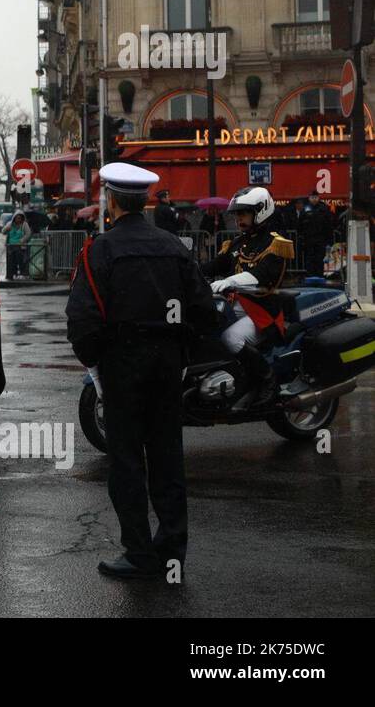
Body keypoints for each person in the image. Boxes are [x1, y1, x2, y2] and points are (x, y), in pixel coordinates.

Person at [66, 162, 218, 581]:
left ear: (111, 201)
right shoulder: (173, 246)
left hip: (122, 364)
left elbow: (82, 320)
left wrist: (96, 358)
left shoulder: (100, 250)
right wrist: (181, 350)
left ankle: (138, 552)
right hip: (168, 364)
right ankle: (171, 551)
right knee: (168, 459)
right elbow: (205, 311)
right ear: (147, 200)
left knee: (127, 461)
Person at [202, 186, 294, 409]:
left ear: (260, 211)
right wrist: (184, 271)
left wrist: (231, 281)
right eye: (236, 214)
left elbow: (263, 276)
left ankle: (267, 381)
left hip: (262, 310)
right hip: (235, 306)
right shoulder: (238, 243)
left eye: (243, 213)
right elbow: (212, 266)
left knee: (231, 339)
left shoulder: (275, 243)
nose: (238, 219)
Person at [297, 191, 333, 278]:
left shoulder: (324, 208)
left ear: (318, 197)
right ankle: (310, 275)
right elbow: (299, 224)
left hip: (321, 239)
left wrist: (328, 239)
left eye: (315, 197)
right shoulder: (305, 209)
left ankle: (319, 275)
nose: (314, 199)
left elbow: (329, 224)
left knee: (320, 258)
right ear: (309, 198)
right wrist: (301, 237)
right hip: (308, 239)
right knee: (309, 258)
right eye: (312, 197)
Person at [4, 212, 30, 279]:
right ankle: (11, 274)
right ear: (14, 218)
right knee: (11, 261)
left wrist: (22, 240)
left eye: (20, 218)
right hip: (10, 246)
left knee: (20, 260)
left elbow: (28, 234)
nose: (18, 220)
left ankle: (22, 273)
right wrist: (7, 229)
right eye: (17, 218)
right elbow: (3, 231)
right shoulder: (10, 224)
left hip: (20, 246)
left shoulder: (24, 224)